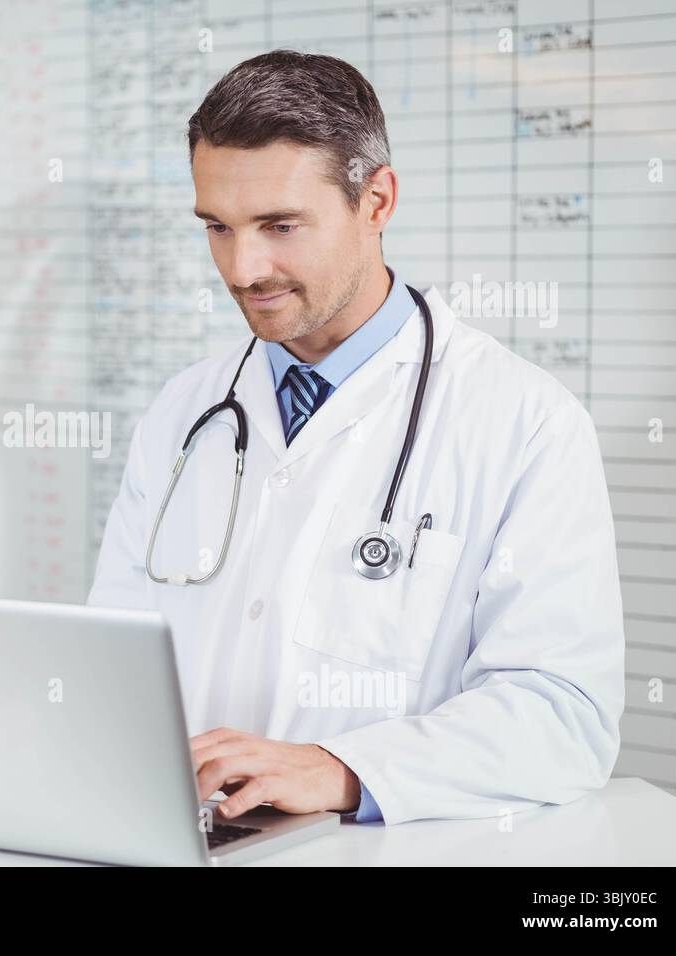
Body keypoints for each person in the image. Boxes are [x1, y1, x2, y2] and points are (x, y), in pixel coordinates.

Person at [87, 50, 624, 826]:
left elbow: (563, 716)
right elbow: (113, 662)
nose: (244, 268)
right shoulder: (185, 411)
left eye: (279, 225)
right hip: (186, 841)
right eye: (218, 227)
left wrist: (342, 769)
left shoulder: (524, 422)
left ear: (376, 201)